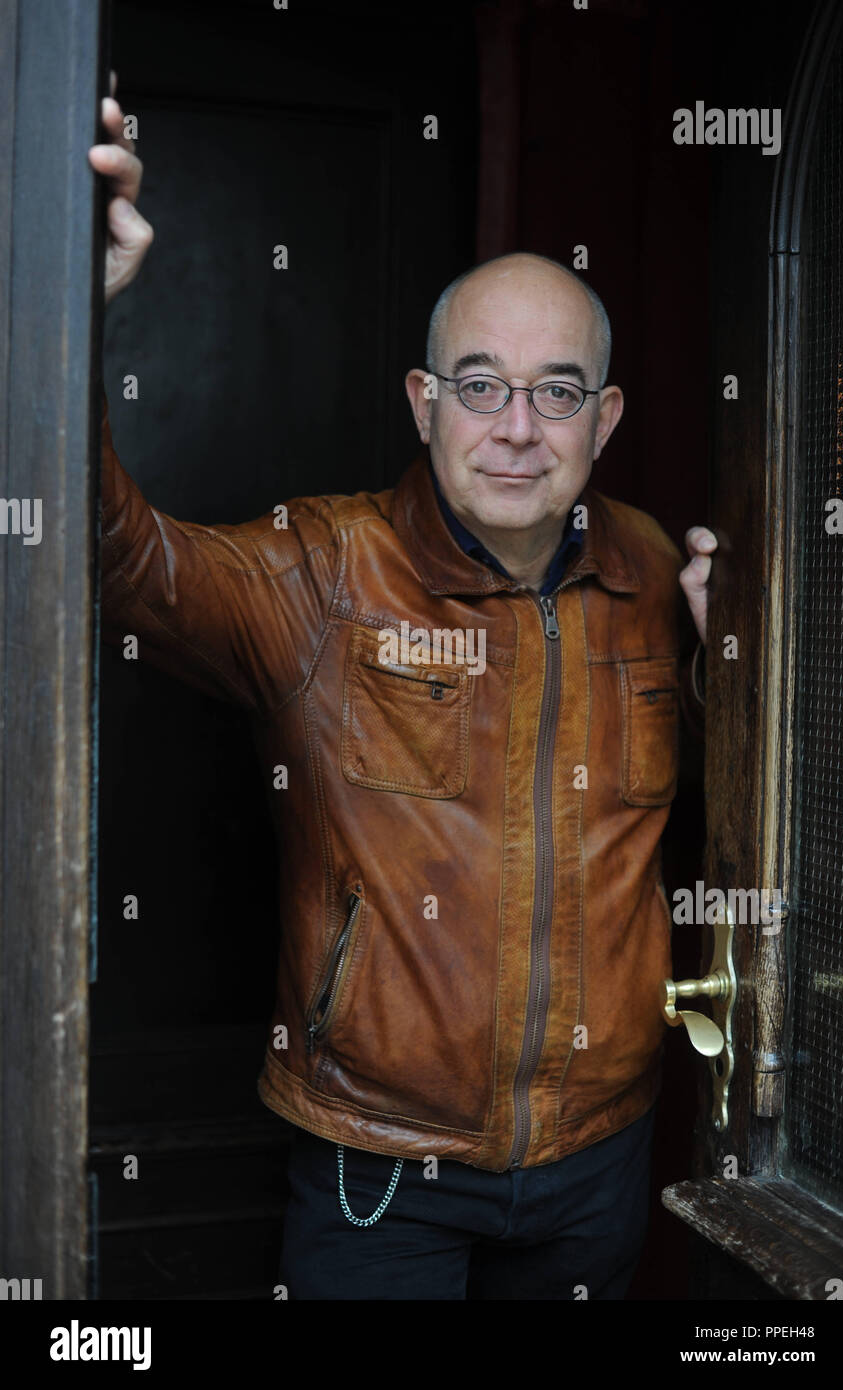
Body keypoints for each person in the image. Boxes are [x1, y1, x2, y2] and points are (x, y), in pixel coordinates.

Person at [89, 74, 717, 1301]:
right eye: (479, 384)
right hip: (383, 1170)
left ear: (606, 418)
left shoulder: (653, 568)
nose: (517, 427)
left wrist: (727, 667)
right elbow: (120, 561)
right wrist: (75, 305)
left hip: (602, 1157)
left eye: (557, 391)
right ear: (426, 405)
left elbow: (735, 784)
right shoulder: (325, 568)